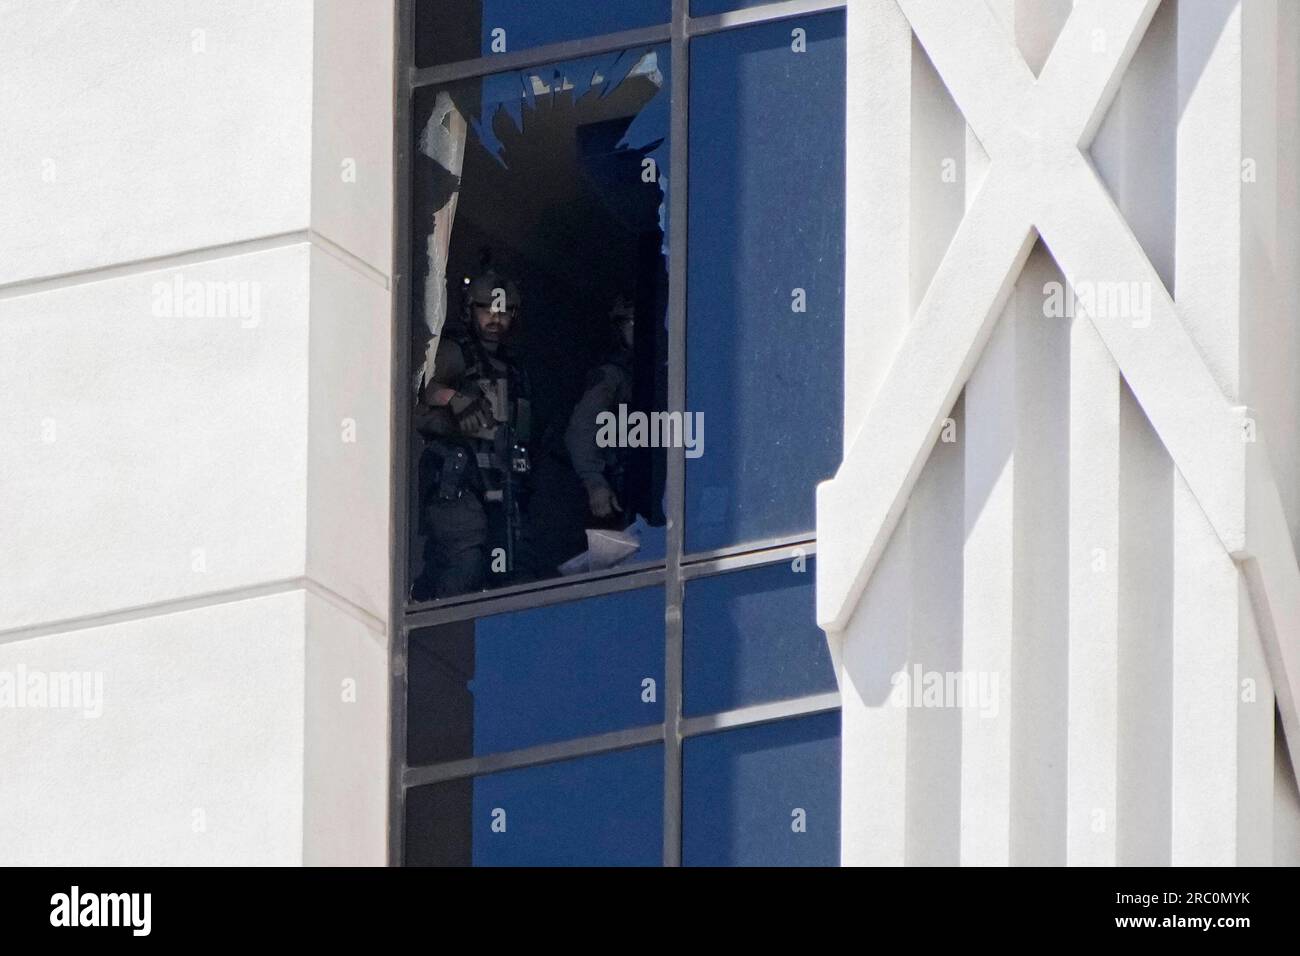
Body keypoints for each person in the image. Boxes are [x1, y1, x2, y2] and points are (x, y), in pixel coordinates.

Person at [412, 270, 531, 600]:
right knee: (465, 559)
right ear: (469, 310)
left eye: (504, 311)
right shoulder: (454, 352)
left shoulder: (514, 368)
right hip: (459, 482)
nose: (496, 318)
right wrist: (454, 400)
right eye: (487, 309)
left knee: (505, 569)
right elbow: (415, 389)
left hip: (501, 483)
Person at [566, 295, 635, 525]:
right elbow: (582, 428)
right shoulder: (611, 375)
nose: (637, 332)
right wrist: (594, 481)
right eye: (631, 324)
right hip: (619, 488)